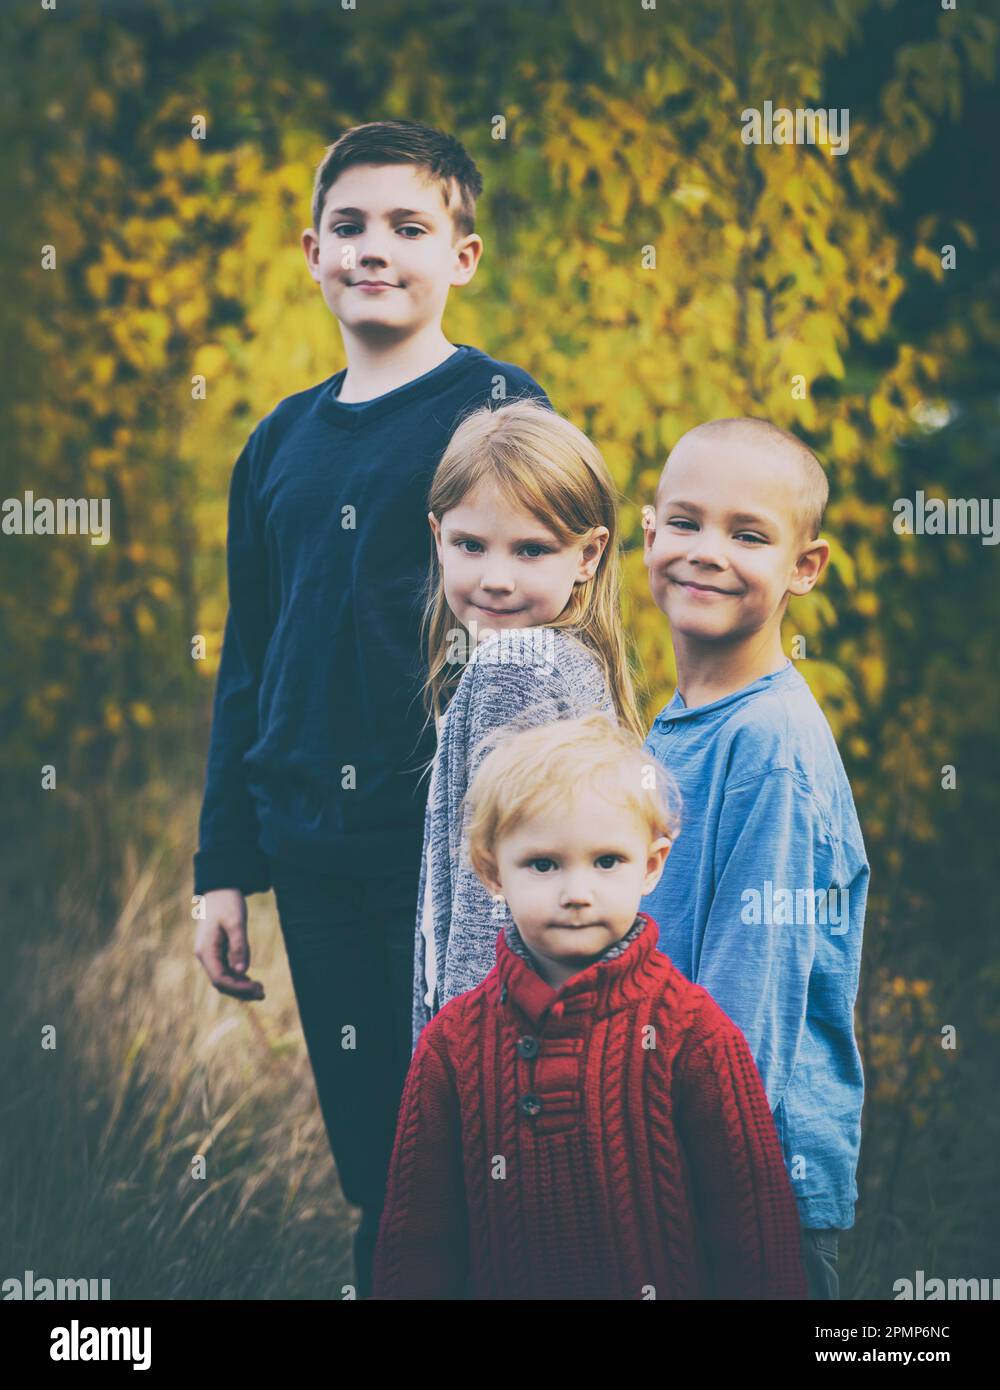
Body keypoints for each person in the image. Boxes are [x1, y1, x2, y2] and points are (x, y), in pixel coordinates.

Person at [191, 119, 550, 1297]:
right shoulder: (279, 440)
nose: (374, 249)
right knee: (377, 1161)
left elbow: (541, 617)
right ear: (311, 250)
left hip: (454, 848)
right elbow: (250, 654)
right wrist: (220, 868)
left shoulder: (497, 404)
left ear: (464, 254)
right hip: (313, 850)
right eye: (349, 226)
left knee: (480, 1147)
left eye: (409, 226)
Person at [373, 713, 808, 1299]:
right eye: (543, 864)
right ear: (491, 871)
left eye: (607, 861)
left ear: (651, 865)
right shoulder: (452, 1047)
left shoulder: (695, 1036)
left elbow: (755, 1243)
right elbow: (417, 1245)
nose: (577, 892)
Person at [639, 416, 869, 1300]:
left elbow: (747, 1007)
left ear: (804, 568)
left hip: (746, 1187)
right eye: (687, 523)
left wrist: (687, 1184)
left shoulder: (768, 747)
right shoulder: (680, 718)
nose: (707, 553)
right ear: (649, 532)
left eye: (748, 535)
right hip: (681, 1162)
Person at [410, 397, 645, 1051]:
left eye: (532, 550)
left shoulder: (518, 667)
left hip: (501, 1054)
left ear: (589, 555)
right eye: (470, 545)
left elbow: (495, 905)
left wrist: (466, 1067)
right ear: (438, 537)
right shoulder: (571, 660)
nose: (496, 578)